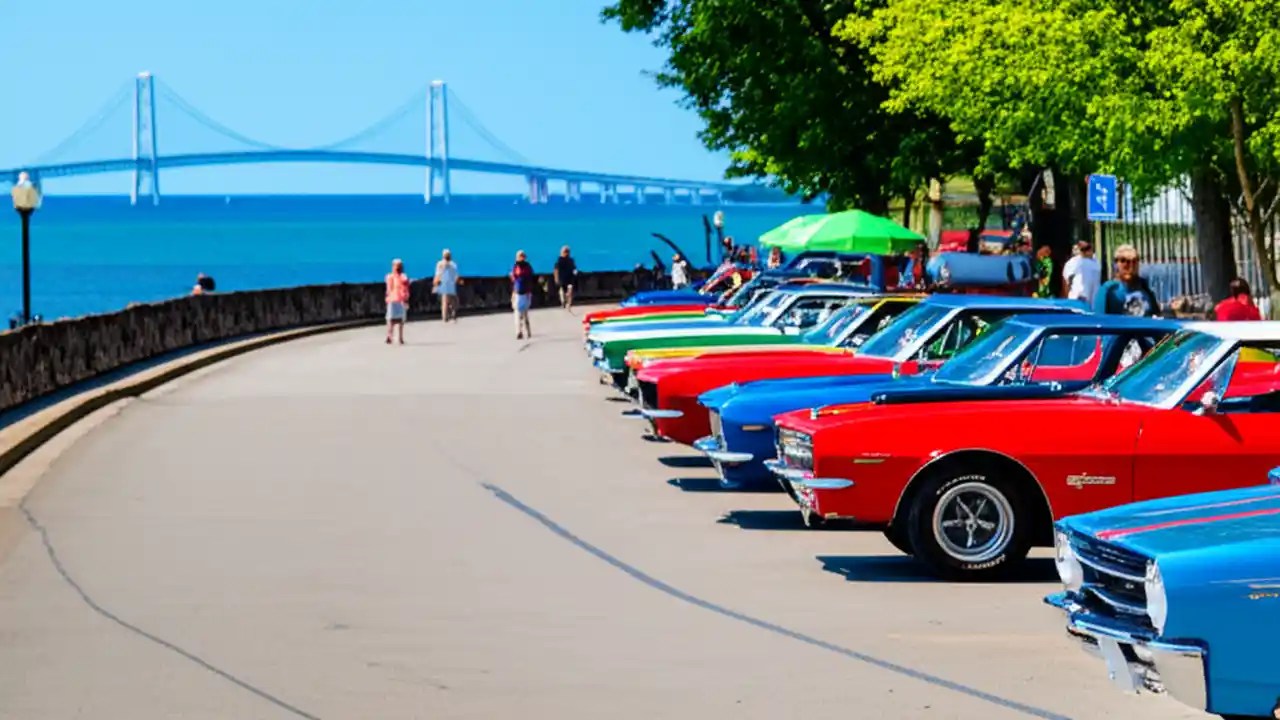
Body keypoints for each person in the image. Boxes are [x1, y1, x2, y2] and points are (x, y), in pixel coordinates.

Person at [1095, 244, 1161, 317]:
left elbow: (1157, 317)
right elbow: (1099, 320)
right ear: (1116, 264)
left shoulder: (1145, 288)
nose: (1130, 266)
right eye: (1124, 261)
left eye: (1134, 261)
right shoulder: (1109, 290)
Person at [1062, 240, 1101, 305]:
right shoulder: (1073, 262)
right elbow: (1066, 282)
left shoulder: (1096, 261)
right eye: (1083, 249)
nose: (1087, 251)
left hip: (1094, 302)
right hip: (1078, 301)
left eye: (1088, 248)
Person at [385, 258, 411, 344]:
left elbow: (388, 289)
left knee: (390, 319)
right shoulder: (404, 276)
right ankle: (399, 338)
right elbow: (406, 288)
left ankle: (390, 335)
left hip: (393, 299)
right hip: (401, 299)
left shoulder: (389, 276)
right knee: (400, 320)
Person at [511, 249, 535, 339]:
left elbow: (530, 279)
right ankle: (519, 331)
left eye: (522, 256)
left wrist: (530, 291)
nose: (521, 258)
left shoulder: (527, 267)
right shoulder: (516, 266)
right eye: (520, 256)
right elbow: (514, 279)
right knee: (517, 313)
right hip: (518, 292)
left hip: (525, 292)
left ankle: (527, 331)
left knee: (525, 313)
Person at [433, 249, 461, 322]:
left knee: (445, 301)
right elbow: (456, 275)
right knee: (453, 300)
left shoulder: (439, 264)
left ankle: (445, 317)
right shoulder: (453, 264)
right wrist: (458, 281)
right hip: (451, 284)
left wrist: (435, 283)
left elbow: (437, 274)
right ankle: (453, 314)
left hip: (443, 284)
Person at [554, 245, 578, 310]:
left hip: (570, 279)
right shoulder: (559, 261)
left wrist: (575, 272)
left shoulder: (571, 260)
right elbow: (556, 270)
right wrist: (556, 279)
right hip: (562, 279)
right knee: (562, 292)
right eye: (565, 252)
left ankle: (568, 305)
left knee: (569, 292)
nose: (566, 253)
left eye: (567, 252)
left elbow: (574, 268)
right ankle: (563, 302)